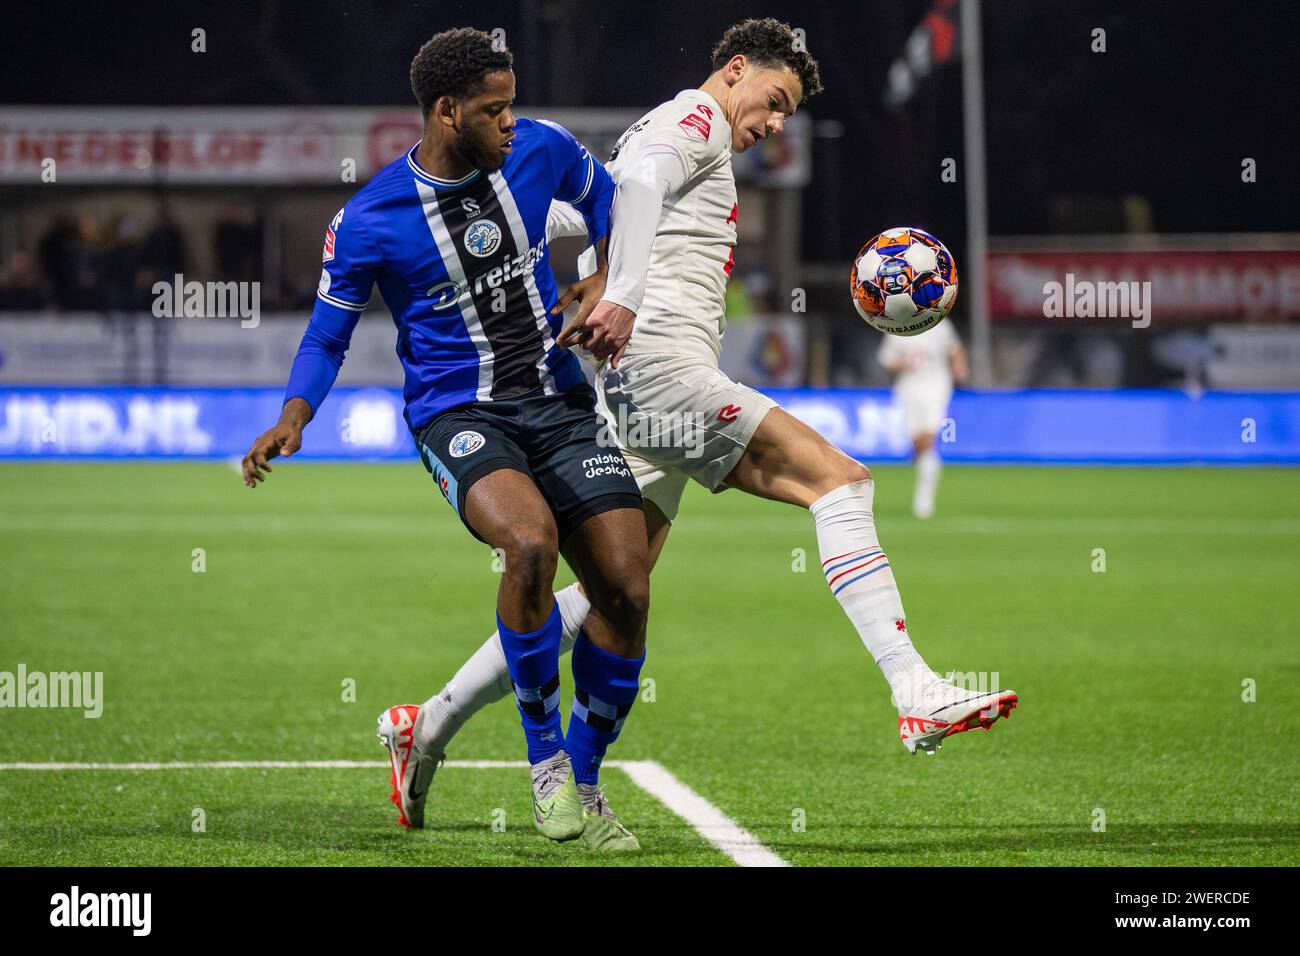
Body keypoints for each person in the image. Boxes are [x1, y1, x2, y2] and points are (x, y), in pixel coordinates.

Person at [406, 17, 1018, 829]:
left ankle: (427, 726)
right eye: (773, 101)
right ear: (734, 71)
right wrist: (619, 291)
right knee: (840, 483)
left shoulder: (667, 131)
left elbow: (588, 204)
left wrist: (563, 255)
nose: (773, 124)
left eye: (788, 115)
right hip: (662, 373)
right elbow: (643, 186)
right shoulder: (692, 121)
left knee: (607, 594)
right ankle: (913, 685)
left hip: (634, 386)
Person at [240, 28, 651, 851]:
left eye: (512, 105)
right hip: (457, 415)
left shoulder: (540, 150)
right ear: (446, 110)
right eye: (494, 110)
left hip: (559, 398)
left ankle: (587, 776)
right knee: (529, 544)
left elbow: (609, 200)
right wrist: (295, 413)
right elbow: (328, 335)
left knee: (628, 590)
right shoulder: (369, 219)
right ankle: (544, 769)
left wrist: (603, 273)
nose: (510, 122)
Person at [877, 321, 968, 518]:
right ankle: (920, 458)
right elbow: (886, 360)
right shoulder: (896, 326)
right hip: (908, 386)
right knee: (918, 441)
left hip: (937, 384)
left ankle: (923, 500)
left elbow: (954, 349)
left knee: (928, 437)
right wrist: (903, 363)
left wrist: (960, 371)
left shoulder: (939, 323)